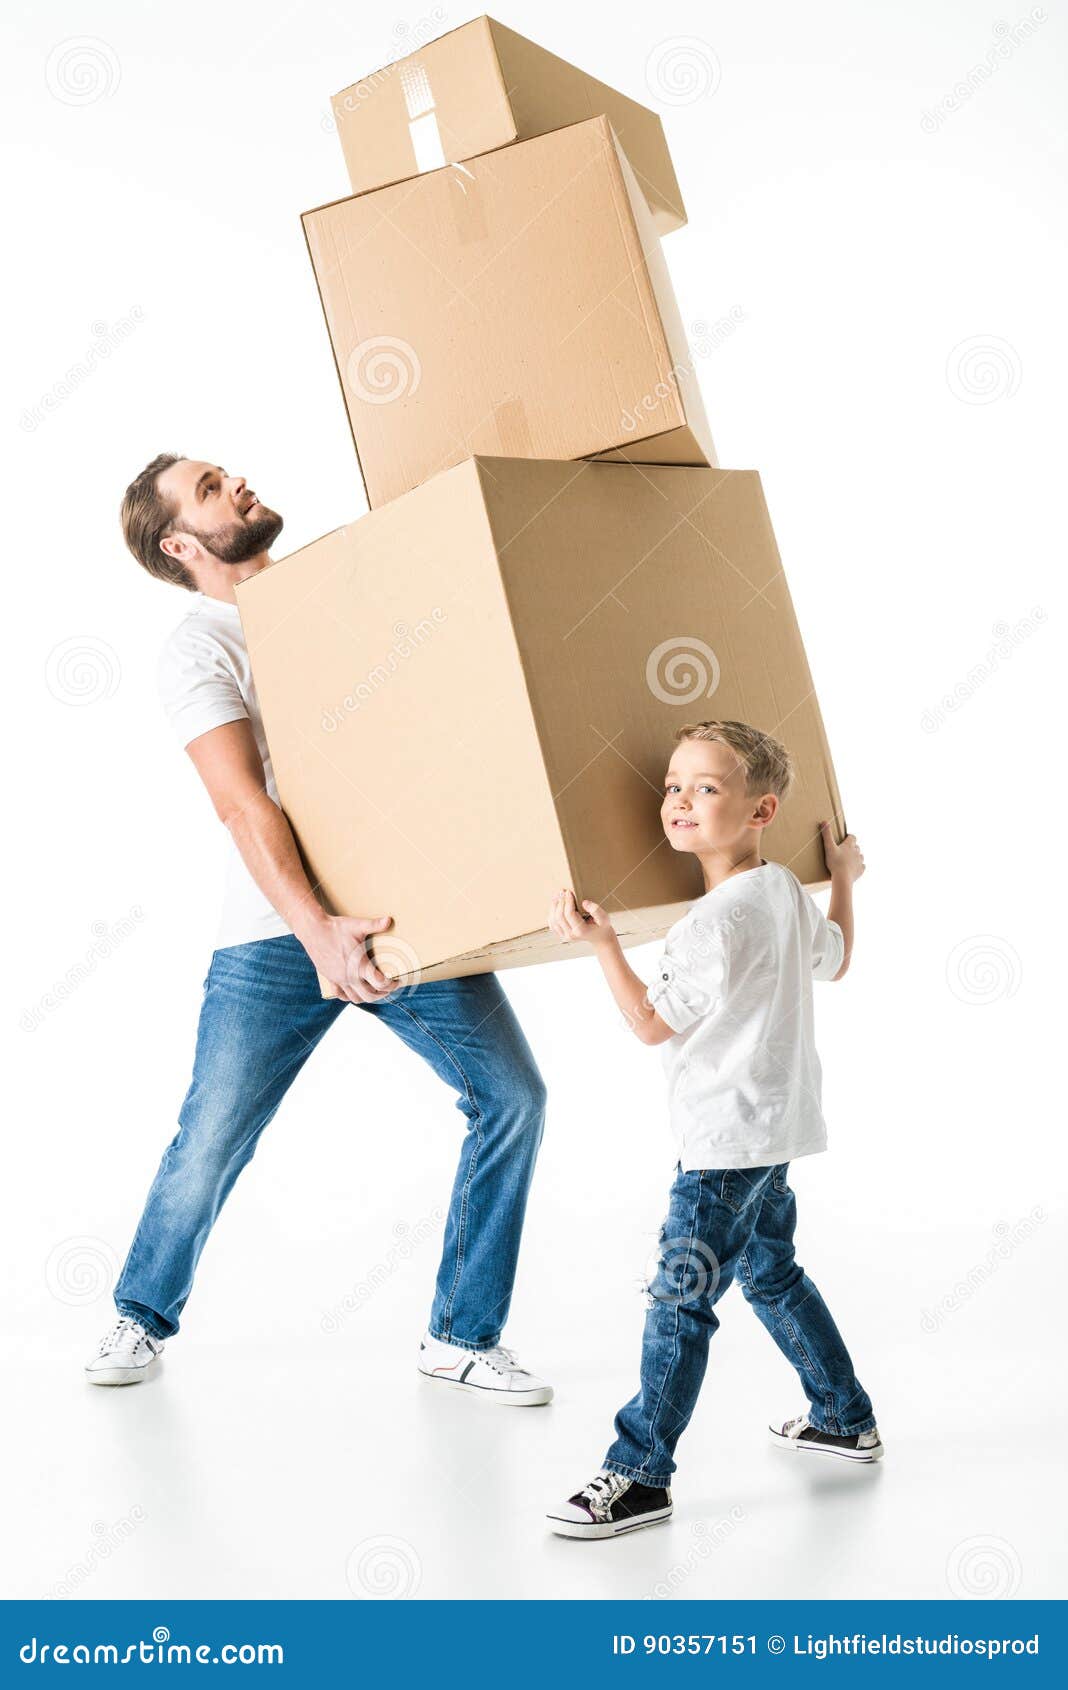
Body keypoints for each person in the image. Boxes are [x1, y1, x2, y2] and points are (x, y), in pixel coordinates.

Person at [85, 454, 551, 1406]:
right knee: (212, 1135)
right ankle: (141, 1312)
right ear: (179, 544)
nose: (238, 487)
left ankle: (462, 1336)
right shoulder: (200, 647)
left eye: (228, 474)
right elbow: (243, 805)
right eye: (211, 490)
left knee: (513, 1098)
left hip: (397, 911)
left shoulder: (341, 598)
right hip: (278, 927)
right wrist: (317, 936)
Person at [544, 719, 880, 1539]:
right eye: (672, 785)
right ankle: (843, 1417)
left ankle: (638, 1475)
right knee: (769, 1274)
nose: (680, 801)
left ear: (761, 810)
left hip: (725, 1144)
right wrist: (842, 880)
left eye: (706, 787)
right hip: (775, 1130)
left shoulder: (711, 924)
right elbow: (836, 959)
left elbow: (651, 1024)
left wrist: (602, 945)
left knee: (680, 1300)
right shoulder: (780, 897)